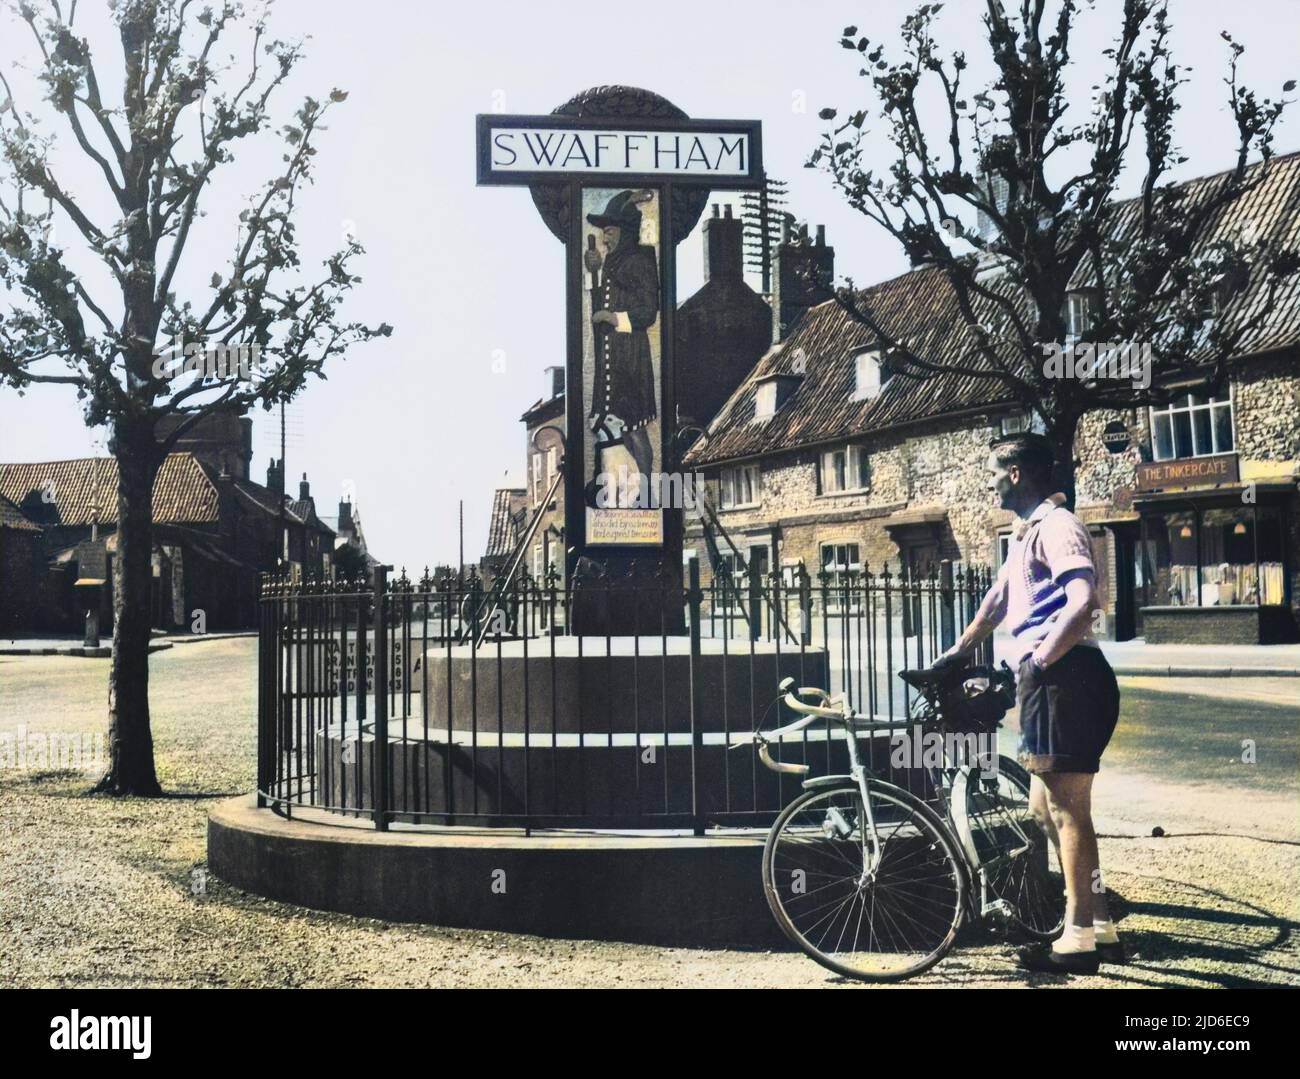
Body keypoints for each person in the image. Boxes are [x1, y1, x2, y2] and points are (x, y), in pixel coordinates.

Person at [935, 432, 1123, 975]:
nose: (989, 480)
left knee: (1067, 810)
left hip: (1065, 677)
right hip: (1054, 677)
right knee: (1045, 809)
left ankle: (1078, 939)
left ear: (1016, 473)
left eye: (994, 470)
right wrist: (956, 653)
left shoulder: (1058, 527)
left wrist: (1039, 661)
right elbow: (997, 601)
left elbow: (1083, 602)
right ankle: (1099, 921)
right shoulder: (1026, 533)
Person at [585, 190, 659, 496]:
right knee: (613, 426)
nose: (605, 239)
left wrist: (614, 318)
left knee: (634, 427)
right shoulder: (612, 262)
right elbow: (600, 305)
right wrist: (594, 271)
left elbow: (647, 311)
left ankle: (647, 486)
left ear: (626, 231)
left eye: (611, 232)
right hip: (610, 359)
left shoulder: (640, 260)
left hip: (629, 358)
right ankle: (610, 482)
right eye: (604, 233)